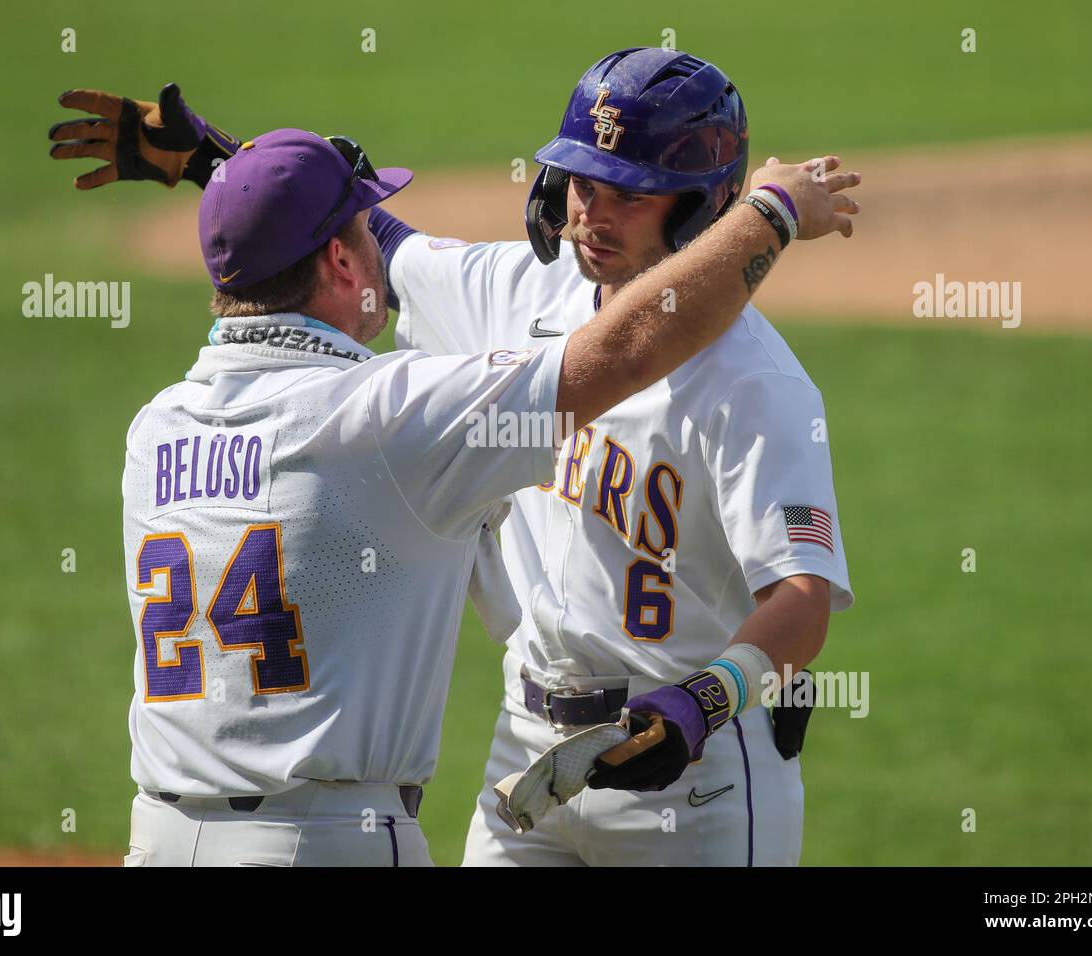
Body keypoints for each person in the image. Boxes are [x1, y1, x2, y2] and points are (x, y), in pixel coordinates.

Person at [50, 107, 860, 865]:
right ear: (338, 258)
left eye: (627, 193)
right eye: (582, 183)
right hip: (406, 805)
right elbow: (632, 347)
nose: (590, 212)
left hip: (684, 775)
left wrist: (219, 166)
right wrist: (773, 213)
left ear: (690, 208)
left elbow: (801, 595)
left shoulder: (155, 424)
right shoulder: (402, 404)